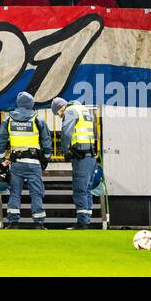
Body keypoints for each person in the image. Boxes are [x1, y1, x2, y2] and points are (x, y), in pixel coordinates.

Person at [0, 91, 52, 229]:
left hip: (16, 164)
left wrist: (2, 159)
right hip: (34, 164)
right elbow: (46, 141)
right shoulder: (38, 120)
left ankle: (13, 222)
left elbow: (0, 141)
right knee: (36, 193)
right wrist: (46, 158)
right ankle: (39, 223)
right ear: (31, 104)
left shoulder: (8, 120)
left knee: (15, 193)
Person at [50, 95, 97, 229]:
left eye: (58, 113)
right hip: (91, 155)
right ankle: (86, 220)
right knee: (87, 189)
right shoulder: (84, 109)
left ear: (61, 108)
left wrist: (65, 151)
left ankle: (82, 222)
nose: (59, 116)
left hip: (81, 156)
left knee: (80, 189)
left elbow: (66, 132)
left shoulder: (70, 111)